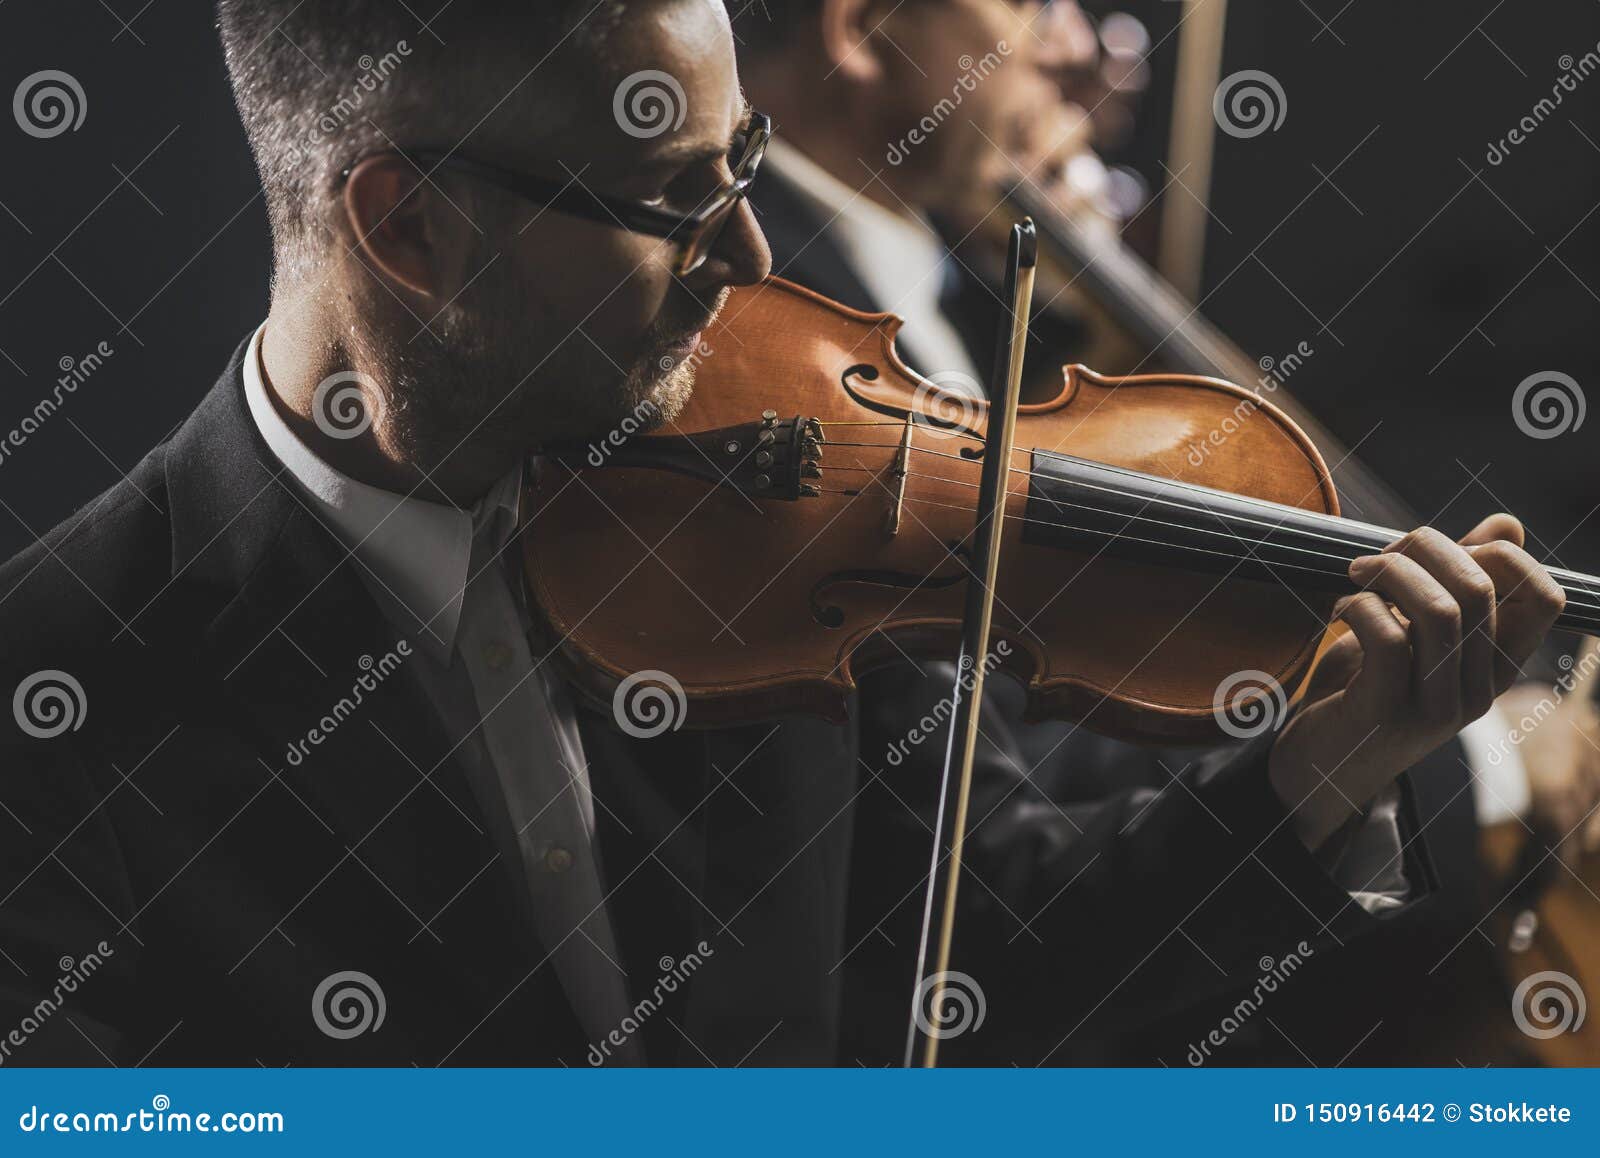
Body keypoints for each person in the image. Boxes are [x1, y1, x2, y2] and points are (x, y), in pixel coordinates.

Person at [0, 0, 1566, 1066]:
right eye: (675, 197)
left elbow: (986, 960)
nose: (750, 249)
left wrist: (1330, 758)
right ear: (407, 227)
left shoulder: (774, 498)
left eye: (750, 162)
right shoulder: (54, 701)